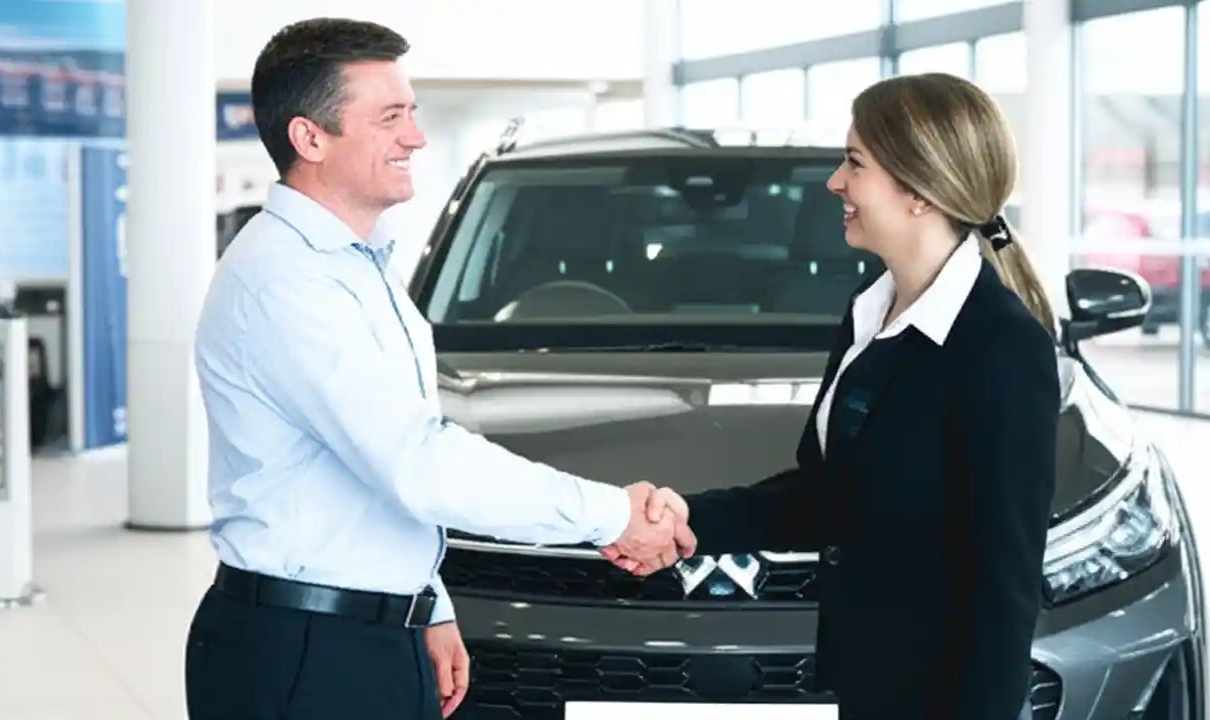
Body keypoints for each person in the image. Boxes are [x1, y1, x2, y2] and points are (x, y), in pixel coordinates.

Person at [185, 18, 692, 720]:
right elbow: (415, 461)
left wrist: (426, 600)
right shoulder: (288, 281)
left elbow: (366, 472)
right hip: (308, 650)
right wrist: (611, 515)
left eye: (412, 113)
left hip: (358, 630)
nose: (416, 137)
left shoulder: (359, 264)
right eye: (390, 117)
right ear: (310, 138)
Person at [611, 73, 1061, 720]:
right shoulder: (869, 312)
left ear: (918, 191)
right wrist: (689, 518)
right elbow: (827, 497)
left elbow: (1005, 588)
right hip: (871, 685)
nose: (834, 183)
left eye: (855, 163)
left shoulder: (1001, 346)